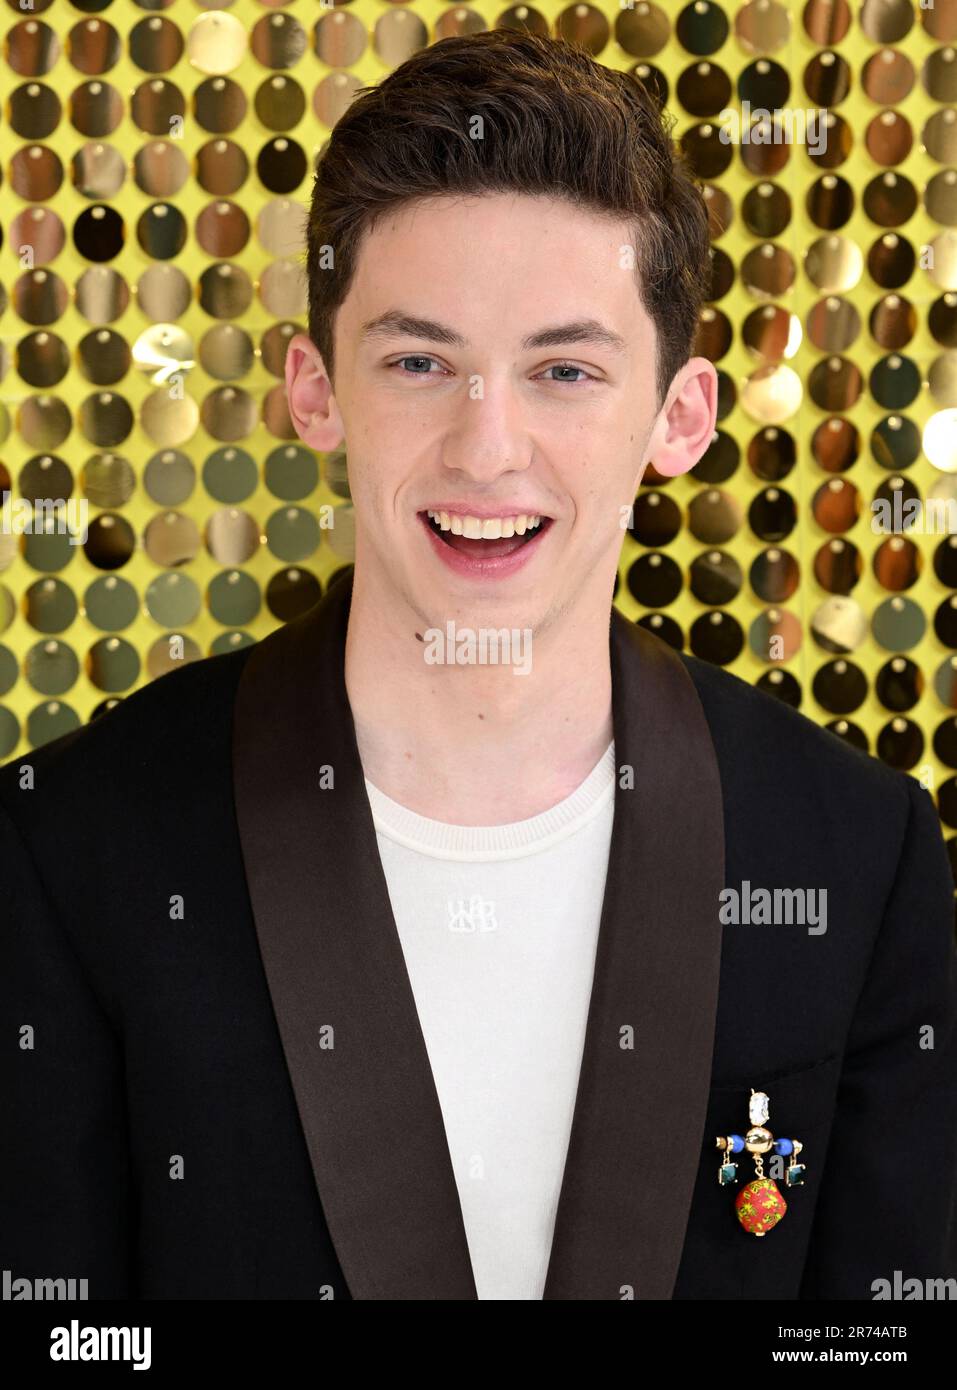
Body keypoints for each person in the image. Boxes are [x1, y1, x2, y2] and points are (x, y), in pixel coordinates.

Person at [1, 29, 955, 1302]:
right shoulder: (68, 844)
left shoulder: (860, 852)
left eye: (563, 370)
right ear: (315, 391)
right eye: (420, 362)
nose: (486, 446)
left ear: (680, 416)